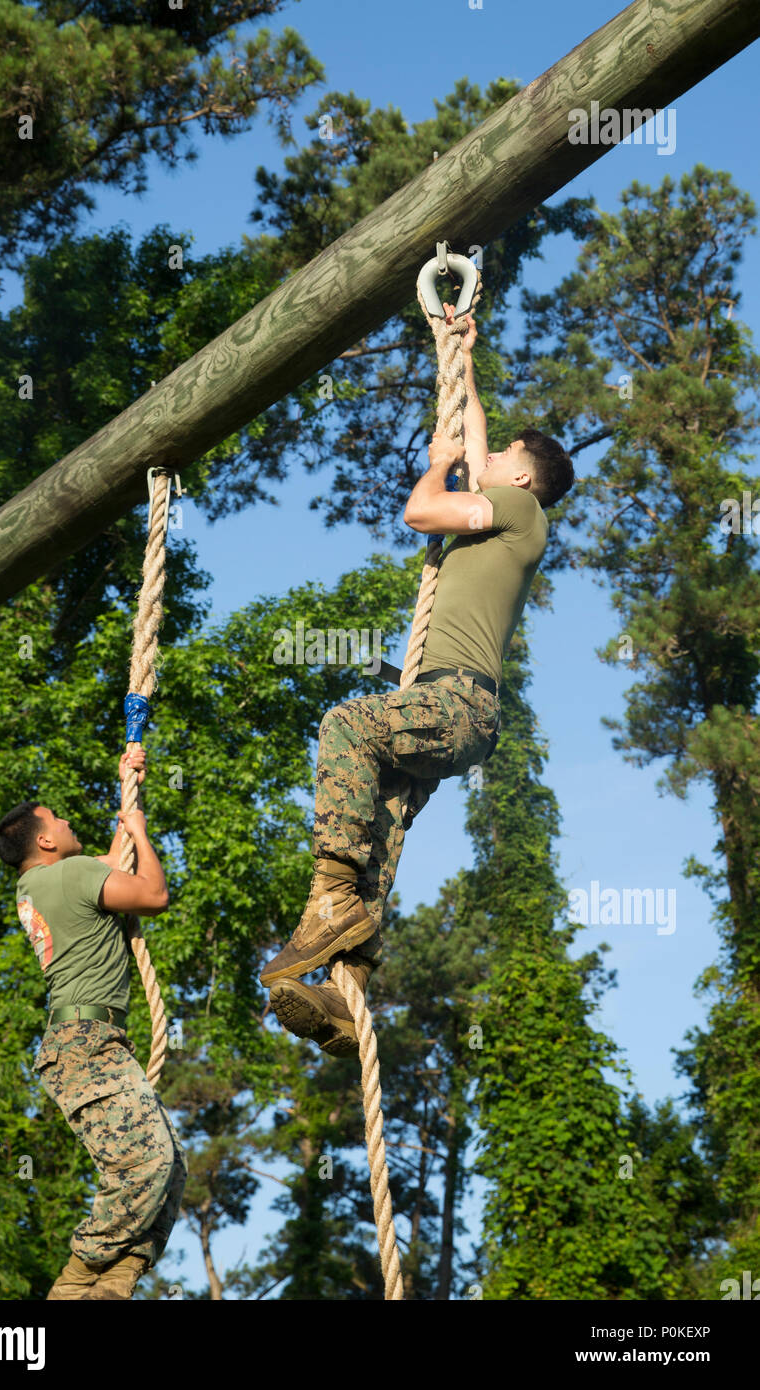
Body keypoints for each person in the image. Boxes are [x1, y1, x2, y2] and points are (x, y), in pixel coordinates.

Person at [262, 303, 575, 1055]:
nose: (487, 458)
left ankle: (332, 904)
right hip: (441, 705)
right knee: (379, 827)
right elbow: (473, 434)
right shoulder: (501, 510)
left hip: (457, 700)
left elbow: (420, 510)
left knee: (345, 725)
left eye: (502, 456)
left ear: (524, 474)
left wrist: (437, 462)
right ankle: (343, 992)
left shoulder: (522, 509)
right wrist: (459, 353)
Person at [0, 750, 187, 1300]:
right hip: (86, 1043)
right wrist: (142, 832)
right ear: (47, 842)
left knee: (170, 1168)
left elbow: (105, 863)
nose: (68, 822)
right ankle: (80, 1276)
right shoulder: (71, 876)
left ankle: (115, 1281)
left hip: (84, 1044)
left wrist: (129, 784)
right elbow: (152, 894)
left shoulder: (40, 886)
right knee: (149, 1162)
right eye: (58, 819)